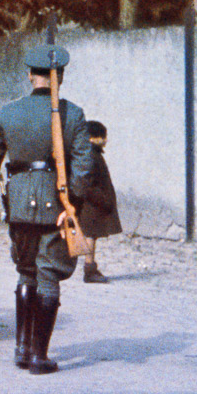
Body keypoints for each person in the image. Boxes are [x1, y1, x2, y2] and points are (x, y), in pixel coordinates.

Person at [0, 44, 92, 375]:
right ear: (61, 77)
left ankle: (23, 349)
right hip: (57, 204)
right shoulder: (73, 114)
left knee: (26, 271)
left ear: (30, 75)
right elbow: (84, 164)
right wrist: (74, 205)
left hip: (19, 204)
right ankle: (40, 356)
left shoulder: (8, 112)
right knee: (49, 272)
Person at [80, 120, 123, 283]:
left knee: (92, 235)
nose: (105, 140)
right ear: (93, 138)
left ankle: (90, 268)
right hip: (91, 205)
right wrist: (102, 199)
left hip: (93, 204)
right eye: (102, 137)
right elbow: (87, 183)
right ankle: (89, 270)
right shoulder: (90, 155)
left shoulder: (89, 153)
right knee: (90, 235)